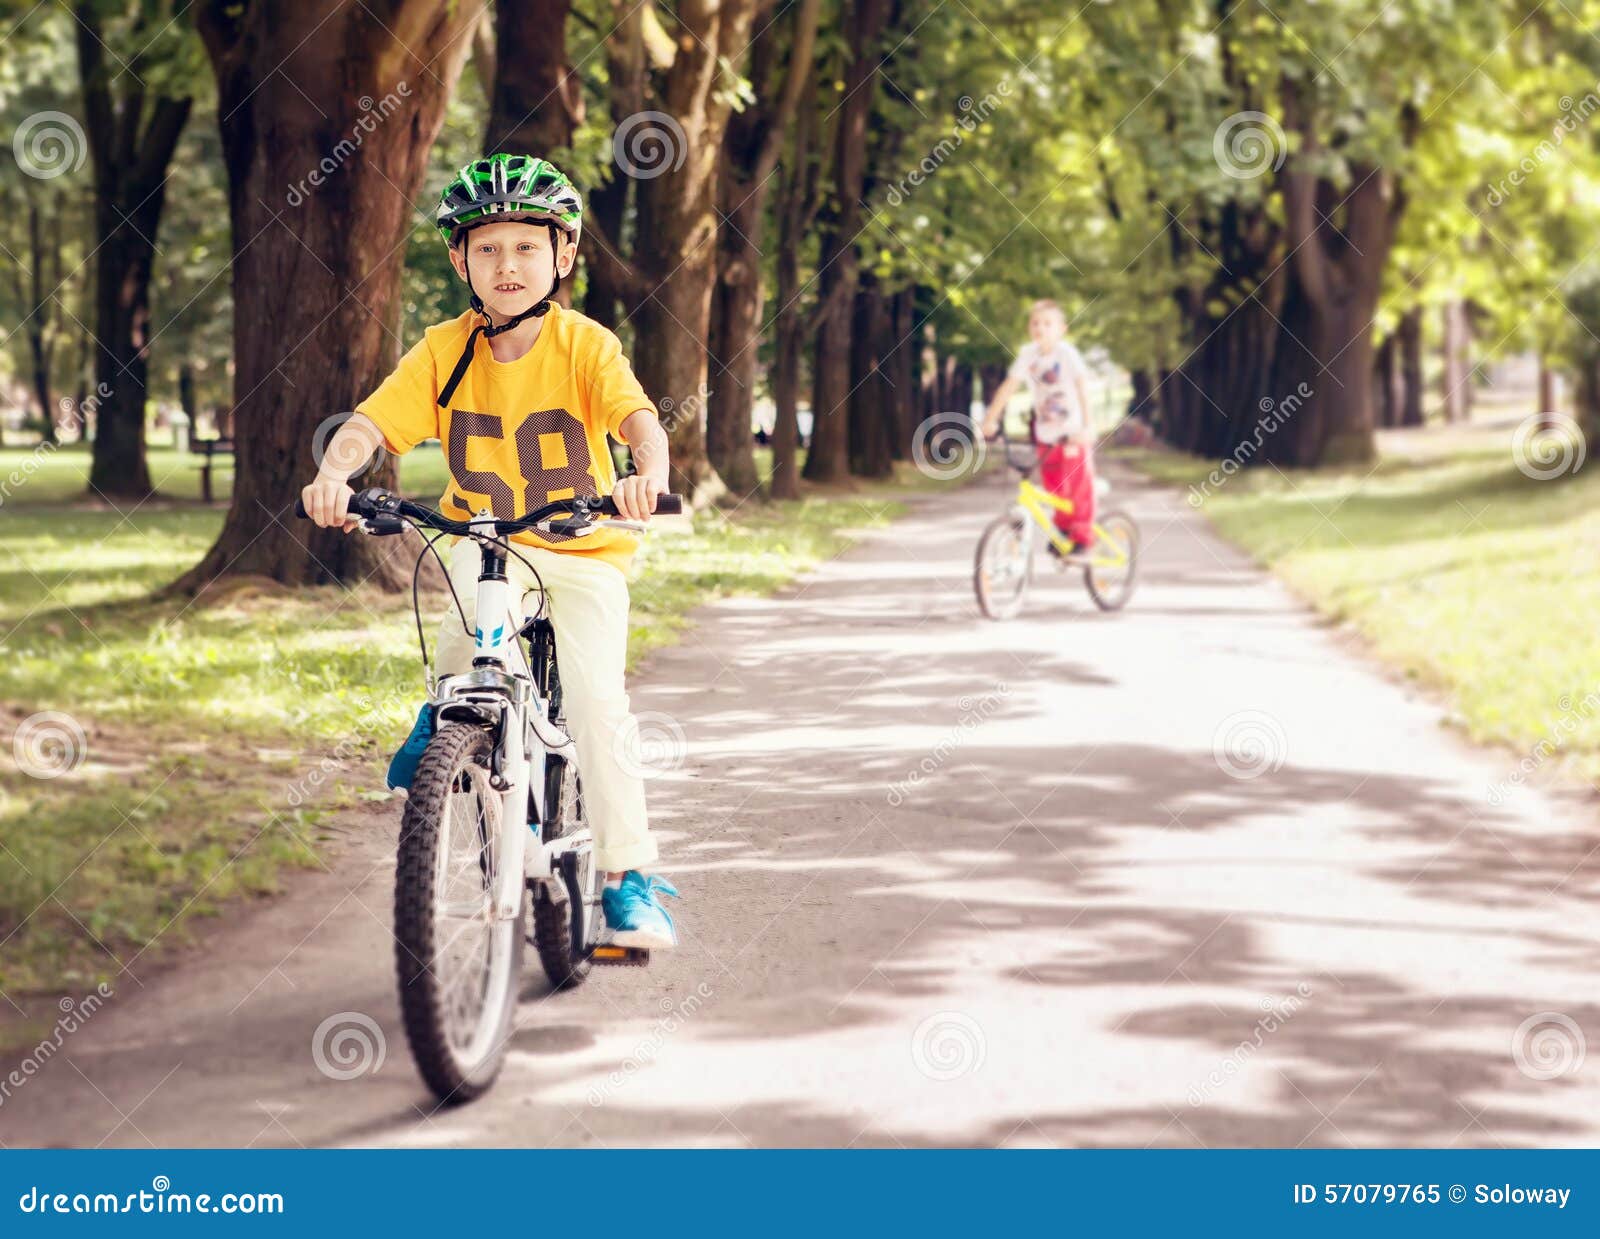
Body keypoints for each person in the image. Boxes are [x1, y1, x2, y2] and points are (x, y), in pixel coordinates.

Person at [300, 154, 679, 950]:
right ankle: (448, 720)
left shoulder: (585, 345)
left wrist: (651, 471)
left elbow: (635, 416)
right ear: (459, 260)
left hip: (582, 548)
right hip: (487, 543)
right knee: (465, 631)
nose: (507, 266)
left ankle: (628, 877)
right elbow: (372, 424)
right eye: (487, 249)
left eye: (526, 248)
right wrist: (335, 472)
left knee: (599, 698)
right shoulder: (444, 349)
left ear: (562, 255)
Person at [980, 300, 1096, 558]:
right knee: (1053, 488)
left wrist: (1087, 426)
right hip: (1046, 435)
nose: (1040, 328)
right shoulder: (1028, 354)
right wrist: (990, 419)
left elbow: (1082, 388)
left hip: (1072, 434)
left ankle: (1084, 537)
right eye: (1035, 323)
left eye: (1047, 323)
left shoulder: (1067, 354)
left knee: (1078, 488)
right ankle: (1064, 530)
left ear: (1061, 329)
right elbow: (1009, 386)